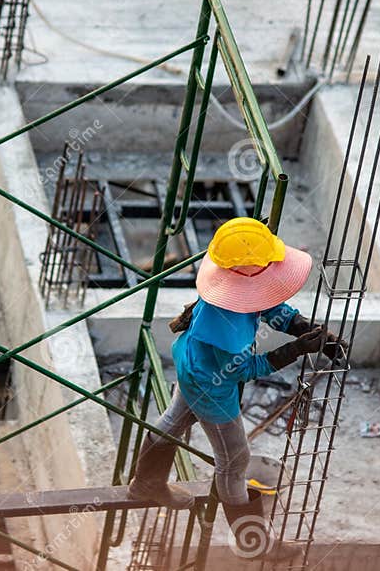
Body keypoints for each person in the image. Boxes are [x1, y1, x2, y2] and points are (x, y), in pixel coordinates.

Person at [128, 217, 345, 561]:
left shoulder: (232, 277)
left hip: (193, 360)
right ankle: (253, 542)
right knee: (234, 461)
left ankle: (146, 483)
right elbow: (246, 370)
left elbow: (267, 300)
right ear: (248, 272)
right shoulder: (224, 329)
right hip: (211, 383)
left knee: (174, 418)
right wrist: (296, 349)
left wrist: (301, 327)